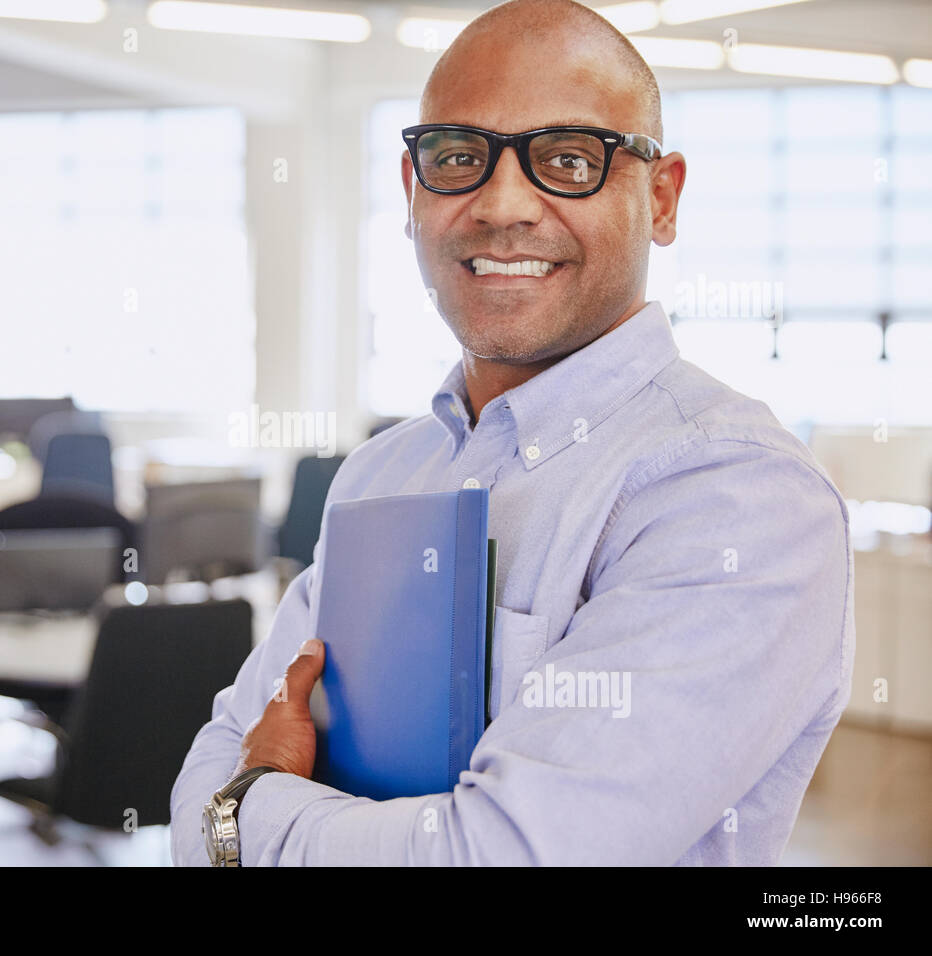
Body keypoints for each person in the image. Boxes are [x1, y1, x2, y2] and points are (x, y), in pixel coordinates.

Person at [171, 0, 855, 865]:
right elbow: (209, 762)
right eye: (459, 157)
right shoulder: (381, 474)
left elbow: (508, 855)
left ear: (663, 196)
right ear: (413, 193)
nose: (501, 205)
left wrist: (251, 815)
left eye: (567, 160)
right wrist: (236, 808)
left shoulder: (735, 496)